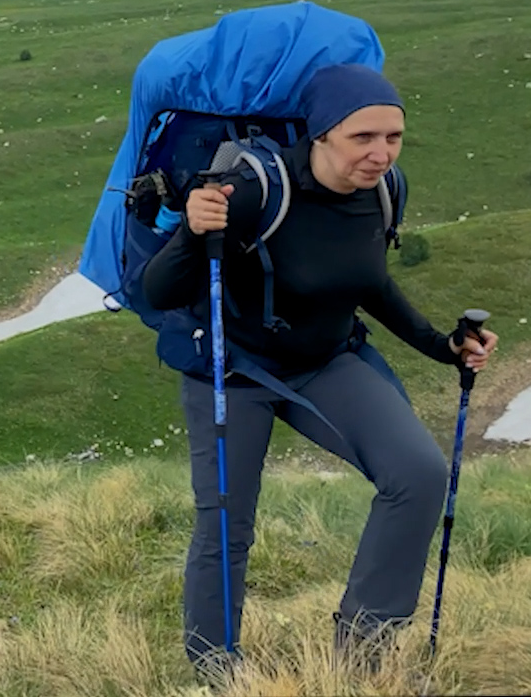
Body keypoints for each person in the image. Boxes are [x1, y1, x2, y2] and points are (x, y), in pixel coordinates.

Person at [142, 62, 501, 675]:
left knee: (417, 474)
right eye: (363, 137)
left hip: (328, 360)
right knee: (227, 523)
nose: (380, 154)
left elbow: (370, 285)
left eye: (393, 137)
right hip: (233, 371)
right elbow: (160, 291)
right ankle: (215, 669)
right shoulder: (255, 190)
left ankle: (362, 659)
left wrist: (443, 346)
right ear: (322, 135)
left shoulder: (385, 193)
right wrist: (191, 233)